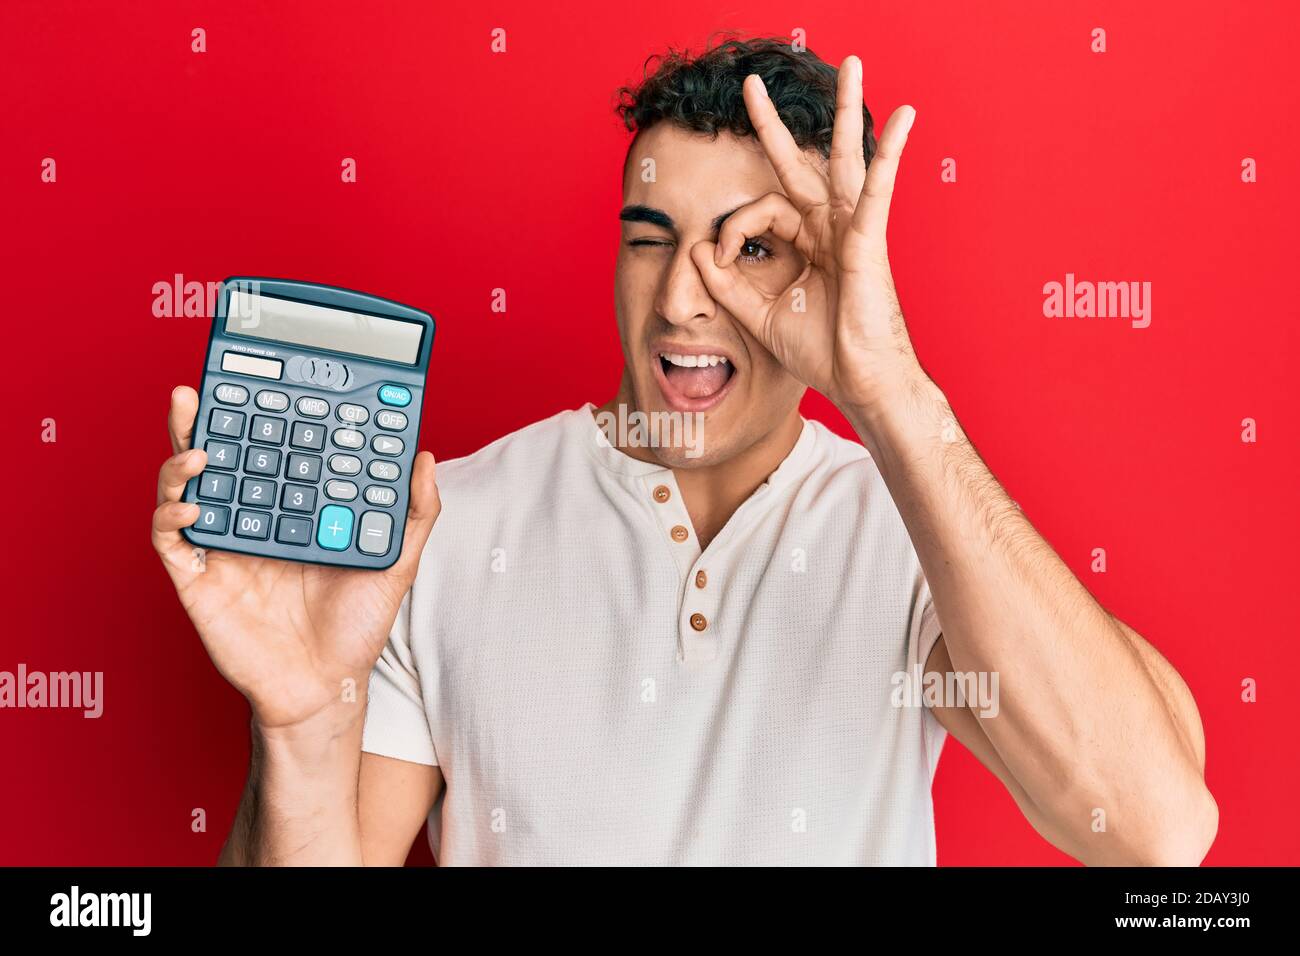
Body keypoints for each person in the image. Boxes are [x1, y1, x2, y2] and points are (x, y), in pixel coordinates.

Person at [151, 37, 1216, 865]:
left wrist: (889, 389)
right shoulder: (443, 522)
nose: (678, 298)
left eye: (750, 248)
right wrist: (294, 720)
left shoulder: (915, 533)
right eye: (649, 237)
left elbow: (1153, 828)